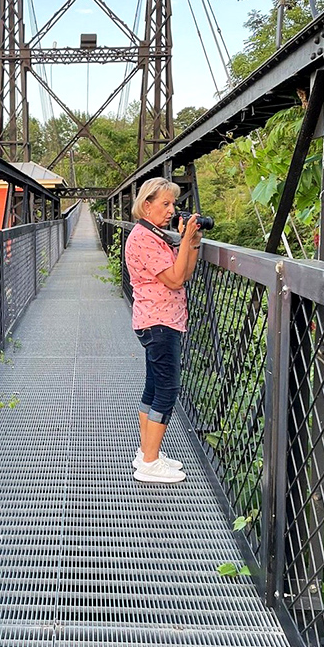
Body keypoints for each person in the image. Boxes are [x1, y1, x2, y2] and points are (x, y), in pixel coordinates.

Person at [124, 177, 202, 484]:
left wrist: (191, 242)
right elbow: (173, 280)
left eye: (174, 204)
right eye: (165, 203)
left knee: (154, 386)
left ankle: (147, 452)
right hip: (159, 322)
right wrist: (183, 242)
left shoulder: (154, 236)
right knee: (167, 390)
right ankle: (150, 463)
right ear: (147, 205)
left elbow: (185, 271)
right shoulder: (144, 238)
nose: (171, 210)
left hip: (158, 319)